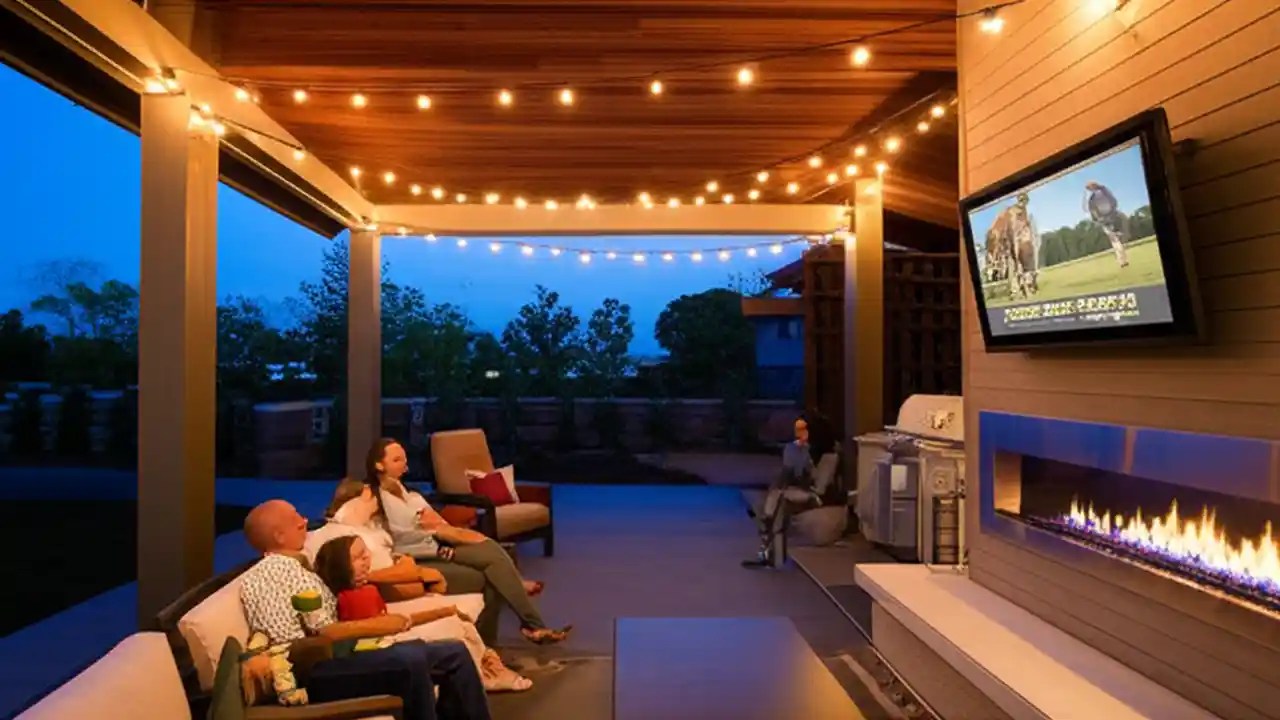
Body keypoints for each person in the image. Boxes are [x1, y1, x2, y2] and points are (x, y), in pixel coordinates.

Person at [239, 499, 492, 720]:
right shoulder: (272, 572)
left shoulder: (295, 568)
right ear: (278, 536)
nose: (304, 521)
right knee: (410, 660)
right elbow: (310, 636)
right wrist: (386, 624)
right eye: (295, 518)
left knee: (452, 652)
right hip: (310, 672)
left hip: (333, 658)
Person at [362, 439, 572, 645]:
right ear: (379, 465)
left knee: (493, 552)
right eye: (397, 460)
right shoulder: (375, 497)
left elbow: (434, 521)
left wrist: (434, 524)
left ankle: (519, 627)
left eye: (405, 460)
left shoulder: (410, 495)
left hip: (438, 543)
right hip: (423, 553)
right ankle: (518, 626)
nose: (405, 465)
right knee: (493, 568)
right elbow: (365, 513)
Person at [314, 534, 532, 692]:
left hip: (394, 632)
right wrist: (438, 613)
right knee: (457, 629)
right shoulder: (353, 597)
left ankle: (487, 671)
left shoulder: (369, 588)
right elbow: (377, 628)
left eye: (366, 553)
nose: (367, 559)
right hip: (385, 644)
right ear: (342, 568)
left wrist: (445, 610)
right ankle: (484, 677)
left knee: (461, 623)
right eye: (359, 558)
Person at [742, 412, 839, 568]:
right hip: (800, 491)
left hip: (817, 497)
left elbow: (820, 488)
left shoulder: (829, 457)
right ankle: (772, 545)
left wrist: (806, 472)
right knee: (777, 494)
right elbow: (787, 477)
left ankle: (766, 526)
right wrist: (788, 472)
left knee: (778, 501)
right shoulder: (799, 450)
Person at [1083, 180, 1129, 268]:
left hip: (1109, 218)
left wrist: (1099, 219)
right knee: (1115, 240)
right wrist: (1098, 219)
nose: (1089, 190)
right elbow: (1094, 210)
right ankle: (1122, 261)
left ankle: (1122, 260)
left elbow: (1094, 210)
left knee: (1116, 240)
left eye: (1089, 188)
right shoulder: (1098, 194)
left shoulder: (1098, 195)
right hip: (1108, 219)